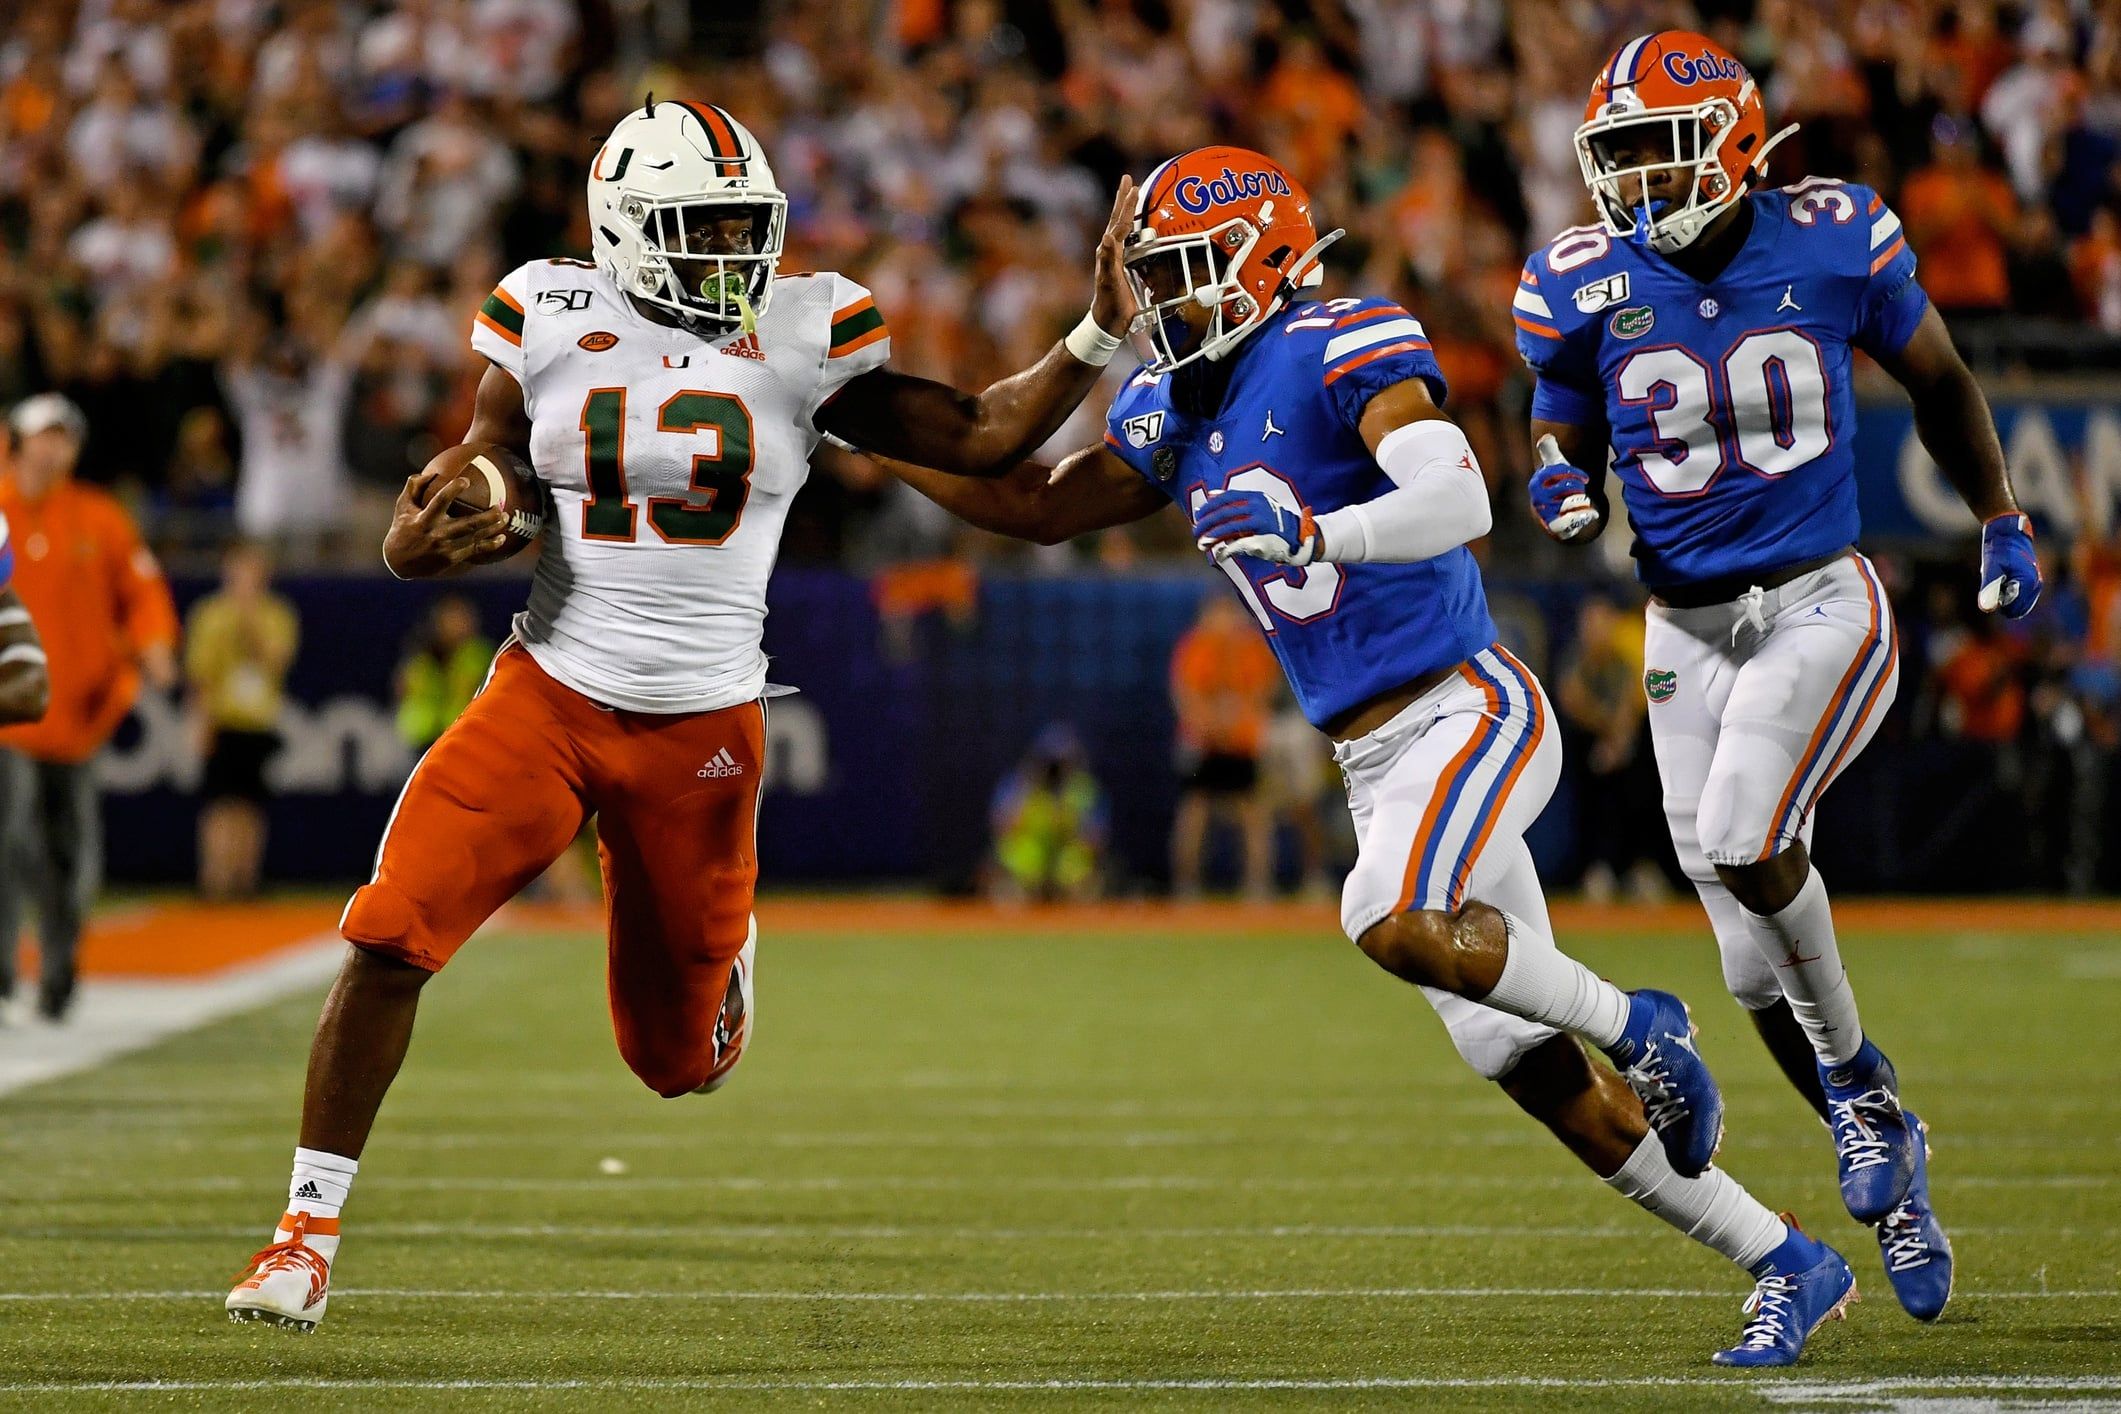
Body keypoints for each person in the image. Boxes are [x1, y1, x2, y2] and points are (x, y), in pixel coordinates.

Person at [883, 145, 1849, 1367]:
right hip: (1371, 759)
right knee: (1515, 1054)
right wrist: (867, 437)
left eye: (1184, 272)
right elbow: (1030, 503)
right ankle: (1785, 1257)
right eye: (1155, 275)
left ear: (1267, 259)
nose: (1166, 302)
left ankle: (1646, 1023)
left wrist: (1318, 527)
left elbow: (1459, 498)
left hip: (1465, 706)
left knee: (1383, 913)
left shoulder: (1339, 338)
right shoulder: (1175, 401)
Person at [228, 97, 1141, 1331]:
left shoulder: (807, 330)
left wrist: (1093, 332)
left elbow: (982, 437)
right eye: (702, 226)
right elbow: (485, 463)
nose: (733, 252)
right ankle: (304, 1233)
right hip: (547, 689)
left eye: (743, 224)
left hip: (703, 729)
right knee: (391, 928)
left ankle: (725, 981)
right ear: (623, 228)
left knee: (673, 1064)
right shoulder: (549, 310)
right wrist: (448, 517)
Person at [1519, 30, 2039, 1335]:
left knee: (1750, 835)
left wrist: (2000, 516)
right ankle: (1893, 1160)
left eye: (1656, 148)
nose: (1633, 179)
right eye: (1617, 155)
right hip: (1683, 632)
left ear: (1736, 144)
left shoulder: (1830, 235)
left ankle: (1863, 1088)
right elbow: (1561, 411)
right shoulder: (1574, 282)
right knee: (1749, 974)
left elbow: (1940, 379)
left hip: (1820, 598)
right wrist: (1553, 467)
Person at [0, 393, 178, 1023]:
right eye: (45, 435)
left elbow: (143, 593)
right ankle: (1, 976)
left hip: (80, 720)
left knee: (71, 863)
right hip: (9, 721)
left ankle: (57, 975)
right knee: (7, 841)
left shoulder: (98, 518)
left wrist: (156, 646)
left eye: (66, 437)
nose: (56, 448)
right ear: (16, 441)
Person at [185, 541, 300, 901]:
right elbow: (201, 676)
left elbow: (276, 661)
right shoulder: (210, 615)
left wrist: (248, 619)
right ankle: (215, 879)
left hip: (257, 721)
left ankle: (245, 880)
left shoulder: (277, 615)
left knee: (250, 806)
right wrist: (200, 723)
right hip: (224, 719)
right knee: (219, 804)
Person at [1556, 593, 1665, 903]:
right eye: (1591, 624)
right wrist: (1607, 736)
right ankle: (1596, 870)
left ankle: (1641, 869)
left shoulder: (1623, 661)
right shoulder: (1575, 659)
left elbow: (1632, 706)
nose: (1596, 631)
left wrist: (1617, 743)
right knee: (1592, 792)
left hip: (1623, 746)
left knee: (1639, 788)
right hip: (1587, 744)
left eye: (1602, 623)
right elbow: (1573, 700)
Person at [1168, 593, 1278, 898]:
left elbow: (1263, 692)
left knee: (1252, 812)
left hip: (1242, 741)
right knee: (1196, 809)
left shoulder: (1250, 647)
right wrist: (1212, 724)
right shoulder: (1197, 645)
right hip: (1204, 740)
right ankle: (1187, 885)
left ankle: (1257, 885)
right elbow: (1185, 694)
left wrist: (1235, 722)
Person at [987, 724, 1107, 902]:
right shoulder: (1021, 785)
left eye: (1061, 763)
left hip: (1064, 858)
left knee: (1077, 869)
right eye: (1050, 763)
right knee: (1014, 874)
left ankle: (1069, 900)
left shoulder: (1083, 789)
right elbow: (1001, 827)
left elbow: (1096, 838)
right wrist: (1026, 794)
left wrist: (1066, 824)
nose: (1054, 771)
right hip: (1031, 862)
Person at [392, 595, 493, 753]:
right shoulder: (418, 654)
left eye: (463, 617)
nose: (459, 624)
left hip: (463, 735)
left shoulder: (479, 654)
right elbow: (402, 689)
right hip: (421, 736)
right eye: (452, 617)